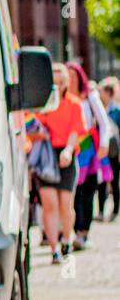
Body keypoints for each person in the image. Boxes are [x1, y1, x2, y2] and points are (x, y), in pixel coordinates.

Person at [32, 64, 86, 264]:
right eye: (54, 81)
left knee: (65, 204)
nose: (58, 85)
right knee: (49, 205)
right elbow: (32, 126)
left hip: (66, 155)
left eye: (61, 81)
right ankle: (54, 249)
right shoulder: (42, 105)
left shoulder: (74, 104)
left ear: (66, 83)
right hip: (46, 157)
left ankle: (66, 240)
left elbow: (75, 132)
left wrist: (69, 151)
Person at [66, 63, 107, 250]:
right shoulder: (63, 98)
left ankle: (84, 231)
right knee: (74, 192)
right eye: (69, 75)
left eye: (74, 75)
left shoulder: (89, 97)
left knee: (88, 191)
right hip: (70, 149)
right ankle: (74, 231)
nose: (72, 79)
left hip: (89, 151)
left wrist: (104, 144)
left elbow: (103, 122)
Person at [102, 77, 120, 222]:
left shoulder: (117, 110)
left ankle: (115, 209)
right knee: (102, 180)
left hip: (114, 149)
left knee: (114, 180)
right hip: (103, 149)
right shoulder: (101, 108)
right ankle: (101, 209)